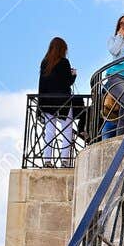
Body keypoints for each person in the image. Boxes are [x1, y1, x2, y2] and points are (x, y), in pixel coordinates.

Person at [37, 38, 79, 166]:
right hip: (63, 102)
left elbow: (41, 84)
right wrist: (73, 75)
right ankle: (65, 160)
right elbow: (67, 82)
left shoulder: (45, 63)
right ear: (63, 49)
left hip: (47, 102)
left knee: (50, 131)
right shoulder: (64, 62)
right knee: (67, 130)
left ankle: (47, 160)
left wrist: (40, 104)